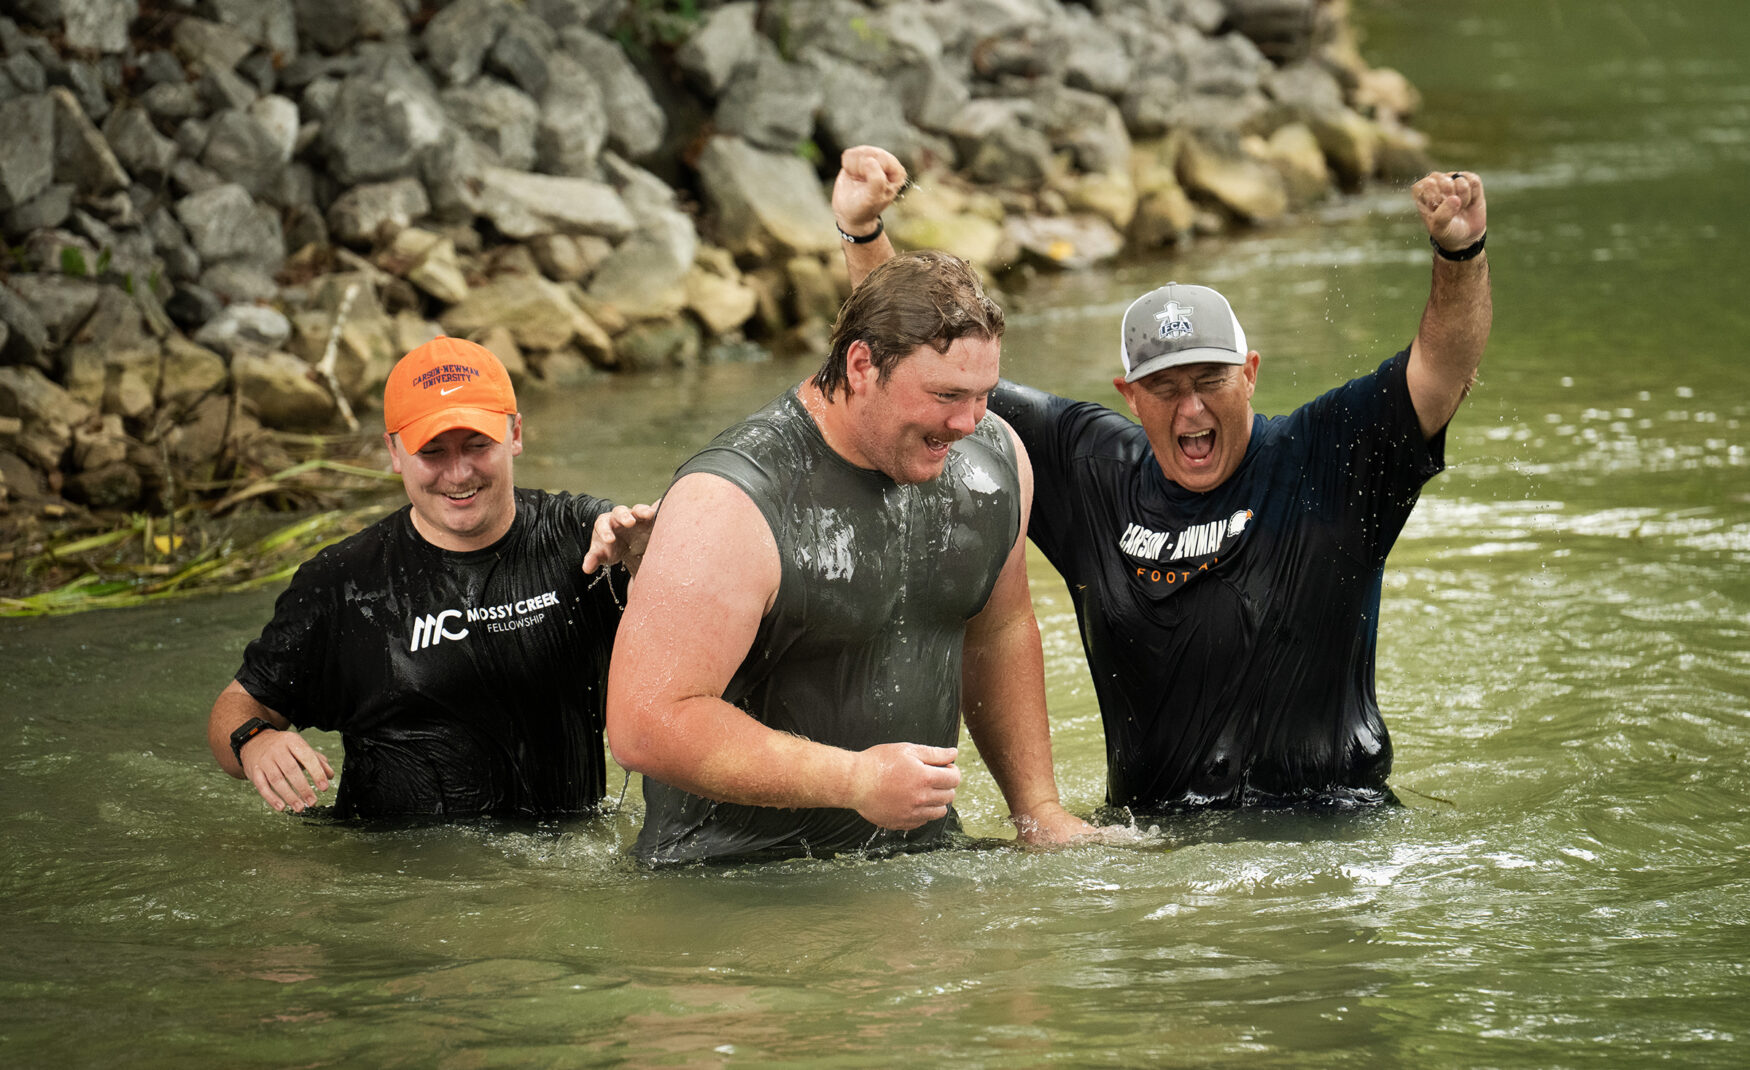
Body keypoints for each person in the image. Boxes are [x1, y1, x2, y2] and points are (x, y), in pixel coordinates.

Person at [837, 145, 1491, 813]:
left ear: (1251, 373)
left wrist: (1459, 256)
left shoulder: (1325, 458)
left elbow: (1440, 372)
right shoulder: (1091, 470)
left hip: (1328, 833)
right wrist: (862, 233)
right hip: (1152, 846)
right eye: (1166, 388)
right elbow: (936, 371)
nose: (1193, 408)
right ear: (1129, 393)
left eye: (1211, 381)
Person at [605, 240, 1097, 864]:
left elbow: (998, 631)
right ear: (862, 365)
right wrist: (853, 781)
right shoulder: (729, 499)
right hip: (726, 884)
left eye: (983, 394)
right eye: (946, 396)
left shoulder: (995, 461)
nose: (970, 422)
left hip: (923, 868)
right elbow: (645, 723)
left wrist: (1038, 811)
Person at [204, 336, 656, 819]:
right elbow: (237, 706)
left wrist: (650, 558)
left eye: (478, 445)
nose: (458, 474)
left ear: (516, 434)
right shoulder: (344, 583)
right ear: (394, 452)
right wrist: (255, 742)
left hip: (559, 870)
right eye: (432, 452)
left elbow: (697, 640)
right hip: (396, 875)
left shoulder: (582, 540)